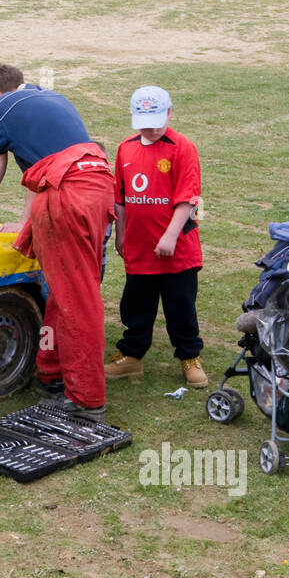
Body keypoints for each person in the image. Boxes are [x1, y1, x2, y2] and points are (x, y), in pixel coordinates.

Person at [0, 63, 116, 420]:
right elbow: (16, 160)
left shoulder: (2, 108)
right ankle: (50, 373)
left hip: (67, 194)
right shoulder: (50, 99)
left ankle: (86, 400)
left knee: (78, 301)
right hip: (97, 187)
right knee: (64, 292)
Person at [105, 86, 208, 389]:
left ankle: (189, 357)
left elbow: (188, 199)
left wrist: (170, 236)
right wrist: (121, 233)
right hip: (139, 247)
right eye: (144, 121)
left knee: (181, 304)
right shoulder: (125, 148)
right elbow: (120, 198)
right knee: (136, 303)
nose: (150, 127)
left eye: (157, 120)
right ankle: (132, 355)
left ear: (170, 113)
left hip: (176, 248)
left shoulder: (182, 147)